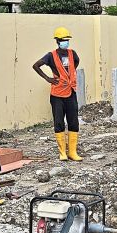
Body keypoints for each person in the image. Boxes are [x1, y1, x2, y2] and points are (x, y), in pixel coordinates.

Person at [31, 26, 82, 161]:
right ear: (58, 41)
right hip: (57, 95)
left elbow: (76, 62)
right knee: (59, 121)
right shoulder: (51, 55)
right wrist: (48, 78)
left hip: (71, 92)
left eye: (67, 39)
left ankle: (72, 152)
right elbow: (36, 65)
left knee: (73, 121)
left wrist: (70, 74)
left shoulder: (72, 53)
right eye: (64, 40)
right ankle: (62, 153)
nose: (66, 42)